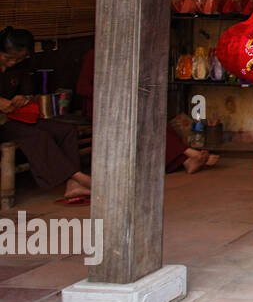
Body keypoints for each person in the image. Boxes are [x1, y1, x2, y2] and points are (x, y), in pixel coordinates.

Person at [78, 47, 219, 175]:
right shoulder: (94, 55)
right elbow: (82, 87)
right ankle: (189, 155)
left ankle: (187, 160)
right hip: (101, 110)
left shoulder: (124, 56)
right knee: (145, 124)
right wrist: (111, 95)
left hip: (123, 107)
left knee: (154, 120)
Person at [0, 27, 92, 204]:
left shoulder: (21, 68)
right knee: (37, 136)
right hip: (3, 125)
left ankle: (72, 185)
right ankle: (78, 176)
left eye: (18, 58)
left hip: (17, 119)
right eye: (8, 58)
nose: (12, 63)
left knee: (65, 130)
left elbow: (27, 93)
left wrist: (22, 99)